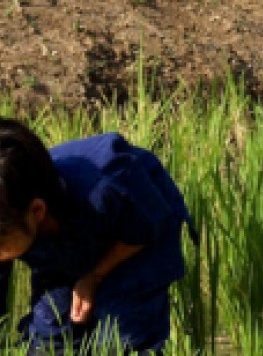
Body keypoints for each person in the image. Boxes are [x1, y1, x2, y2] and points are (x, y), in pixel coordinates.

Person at [0, 119, 194, 354]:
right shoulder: (14, 217)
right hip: (59, 243)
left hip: (137, 233)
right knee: (48, 337)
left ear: (37, 211)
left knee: (122, 335)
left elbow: (145, 231)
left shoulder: (108, 185)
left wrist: (94, 276)